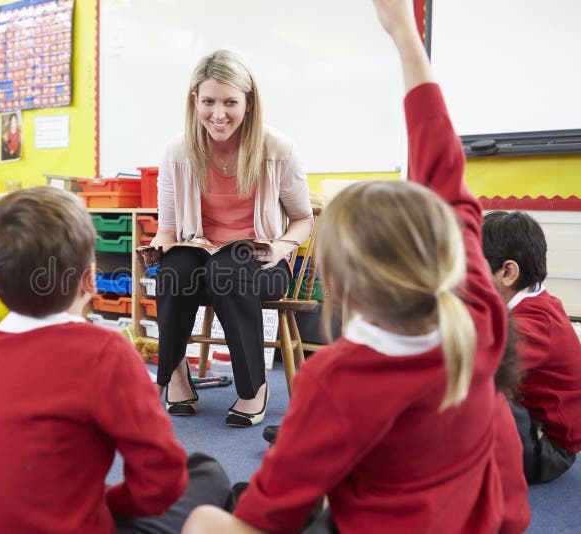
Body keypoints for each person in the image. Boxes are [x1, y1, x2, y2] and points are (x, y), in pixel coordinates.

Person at [182, 0, 529, 532]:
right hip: (472, 516)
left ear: (337, 284)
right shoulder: (479, 314)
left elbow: (265, 517)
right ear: (444, 250)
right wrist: (406, 38)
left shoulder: (336, 380)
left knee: (205, 509)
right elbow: (442, 160)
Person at [0, 186, 233, 533]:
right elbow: (162, 482)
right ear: (91, 279)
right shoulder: (106, 352)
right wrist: (107, 505)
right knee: (206, 472)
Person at [147, 49, 314, 427]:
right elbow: (170, 228)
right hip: (200, 252)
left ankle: (253, 388)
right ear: (195, 101)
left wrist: (281, 246)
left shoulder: (278, 150)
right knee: (173, 270)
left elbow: (303, 219)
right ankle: (176, 375)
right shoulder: (177, 151)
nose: (218, 114)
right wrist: (159, 245)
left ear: (249, 103)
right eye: (208, 101)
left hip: (262, 262)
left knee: (228, 267)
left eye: (229, 102)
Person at [482, 210, 581, 483]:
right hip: (533, 421)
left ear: (508, 272)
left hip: (548, 449)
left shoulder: (535, 324)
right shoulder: (533, 301)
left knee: (470, 388)